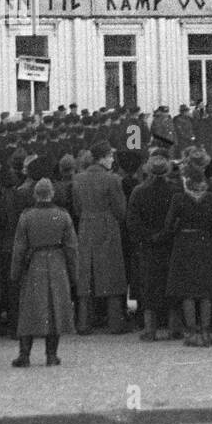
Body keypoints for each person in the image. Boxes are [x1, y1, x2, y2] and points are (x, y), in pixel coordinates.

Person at [10, 178, 78, 367]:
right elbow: (72, 248)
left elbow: (19, 248)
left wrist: (15, 273)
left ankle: (24, 355)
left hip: (34, 264)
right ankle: (51, 355)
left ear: (35, 194)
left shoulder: (26, 216)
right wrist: (74, 274)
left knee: (29, 309)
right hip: (57, 263)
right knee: (56, 308)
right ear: (52, 194)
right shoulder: (63, 216)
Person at [71, 140, 129, 335]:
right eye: (110, 156)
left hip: (86, 226)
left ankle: (84, 323)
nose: (112, 160)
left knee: (86, 274)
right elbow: (121, 210)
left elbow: (77, 208)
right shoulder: (113, 179)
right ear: (102, 158)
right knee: (111, 273)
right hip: (107, 225)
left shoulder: (78, 179)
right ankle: (115, 323)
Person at [165, 164, 212, 346]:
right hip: (206, 243)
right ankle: (205, 332)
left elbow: (169, 225)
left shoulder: (178, 198)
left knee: (187, 291)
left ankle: (191, 332)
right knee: (206, 291)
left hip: (184, 243)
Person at [127, 154, 176, 342]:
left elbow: (132, 220)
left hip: (148, 245)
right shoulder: (174, 190)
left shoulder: (139, 191)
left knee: (149, 286)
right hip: (169, 244)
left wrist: (148, 236)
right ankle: (174, 328)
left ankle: (150, 329)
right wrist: (165, 234)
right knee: (171, 285)